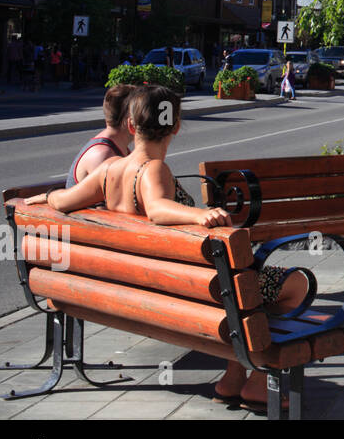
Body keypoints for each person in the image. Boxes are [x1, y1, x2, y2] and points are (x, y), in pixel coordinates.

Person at [34, 85, 308, 412]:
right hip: (197, 292)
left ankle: (234, 378)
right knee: (295, 284)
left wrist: (47, 197)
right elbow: (157, 209)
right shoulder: (153, 169)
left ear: (132, 127)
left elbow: (64, 200)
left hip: (149, 289)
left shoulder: (108, 171)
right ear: (175, 126)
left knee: (246, 292)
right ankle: (261, 383)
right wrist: (201, 214)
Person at [66, 84, 138, 187]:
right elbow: (115, 201)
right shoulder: (103, 155)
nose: (144, 118)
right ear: (129, 119)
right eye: (140, 112)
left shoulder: (118, 147)